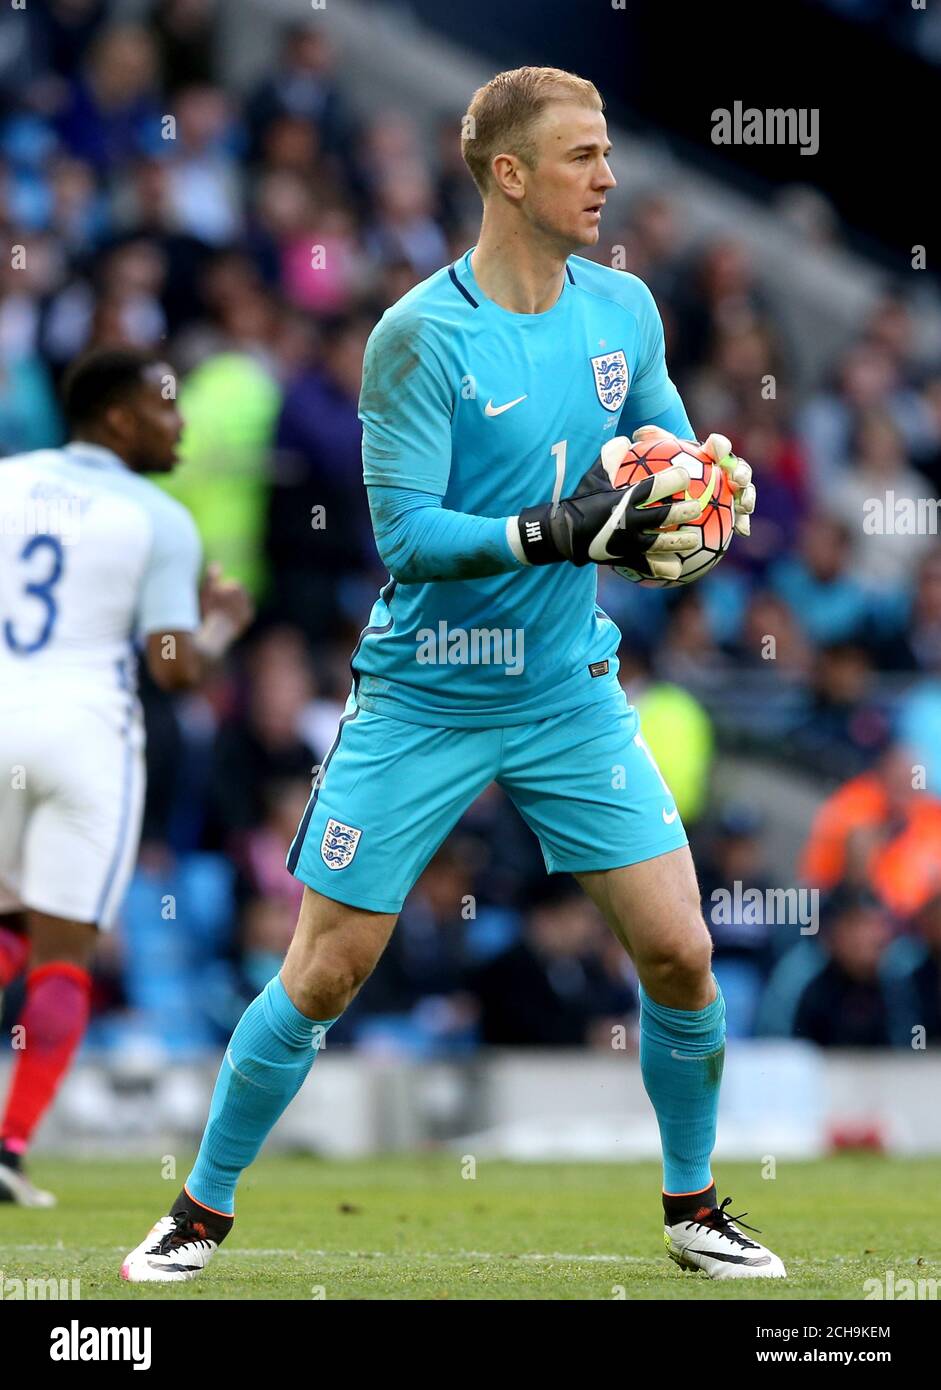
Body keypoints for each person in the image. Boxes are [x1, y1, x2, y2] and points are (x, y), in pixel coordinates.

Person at [122, 65, 780, 1284]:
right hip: (423, 691)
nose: (608, 175)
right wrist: (558, 529)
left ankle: (692, 1208)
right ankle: (199, 1213)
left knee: (681, 955)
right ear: (509, 173)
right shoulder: (416, 334)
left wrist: (704, 497)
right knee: (323, 971)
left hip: (564, 692)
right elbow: (407, 539)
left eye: (606, 152)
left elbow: (664, 457)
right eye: (582, 155)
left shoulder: (624, 311)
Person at [0, 347, 253, 1206]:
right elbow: (174, 669)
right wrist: (219, 627)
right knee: (61, 954)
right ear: (116, 419)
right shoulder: (159, 517)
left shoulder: (7, 480)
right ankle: (8, 1147)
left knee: (6, 929)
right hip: (86, 739)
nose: (180, 424)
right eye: (165, 407)